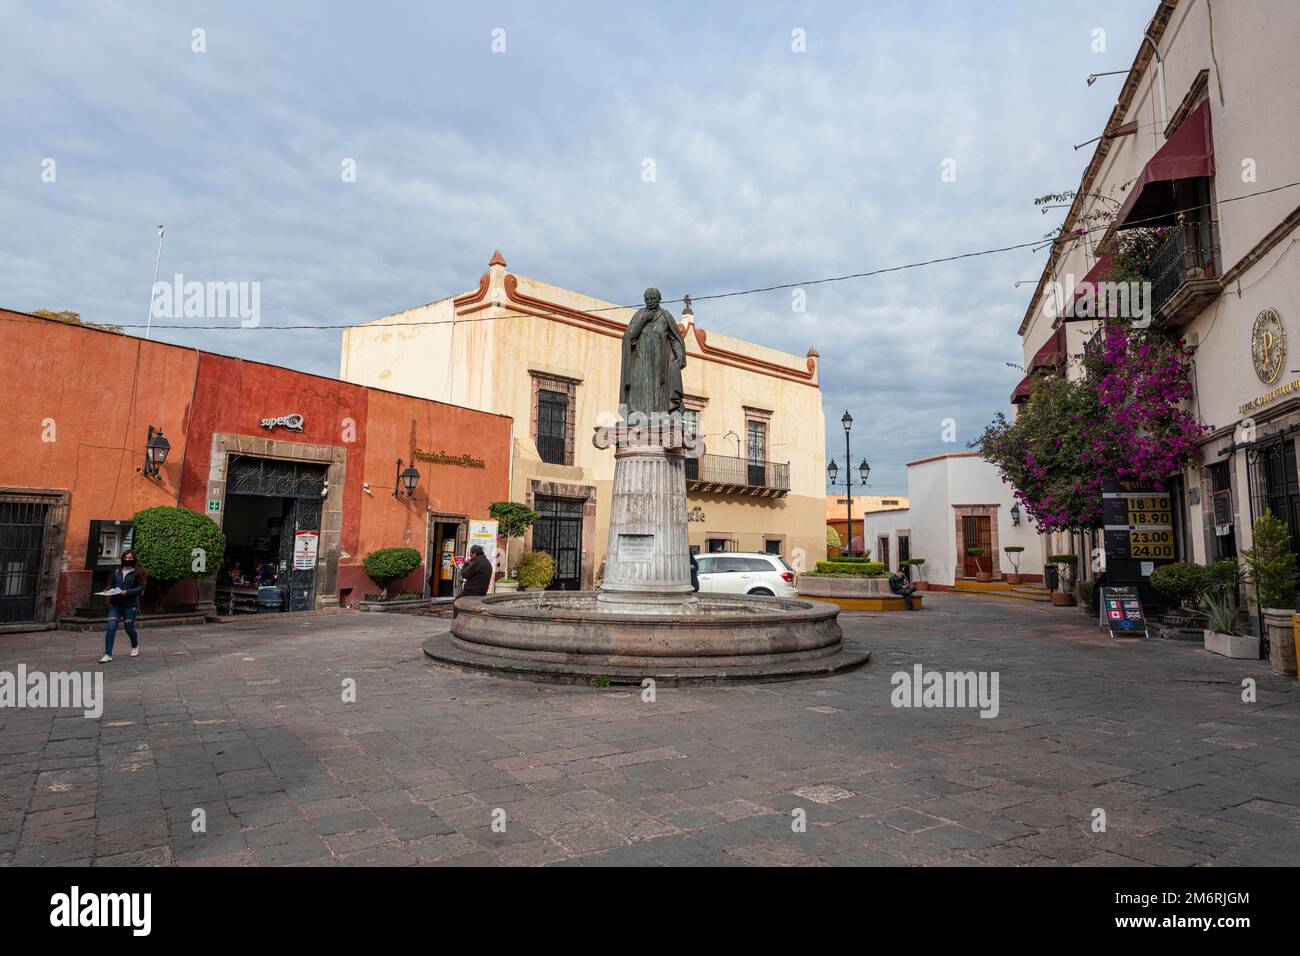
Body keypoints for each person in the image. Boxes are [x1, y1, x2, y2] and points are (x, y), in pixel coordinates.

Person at [100, 550, 147, 662]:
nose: (127, 560)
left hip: (130, 605)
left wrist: (127, 592)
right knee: (111, 627)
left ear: (134, 559)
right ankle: (108, 654)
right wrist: (106, 590)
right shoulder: (117, 571)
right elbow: (111, 584)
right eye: (126, 558)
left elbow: (141, 588)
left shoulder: (137, 572)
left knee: (129, 628)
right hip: (115, 604)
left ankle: (135, 645)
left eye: (130, 558)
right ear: (122, 558)